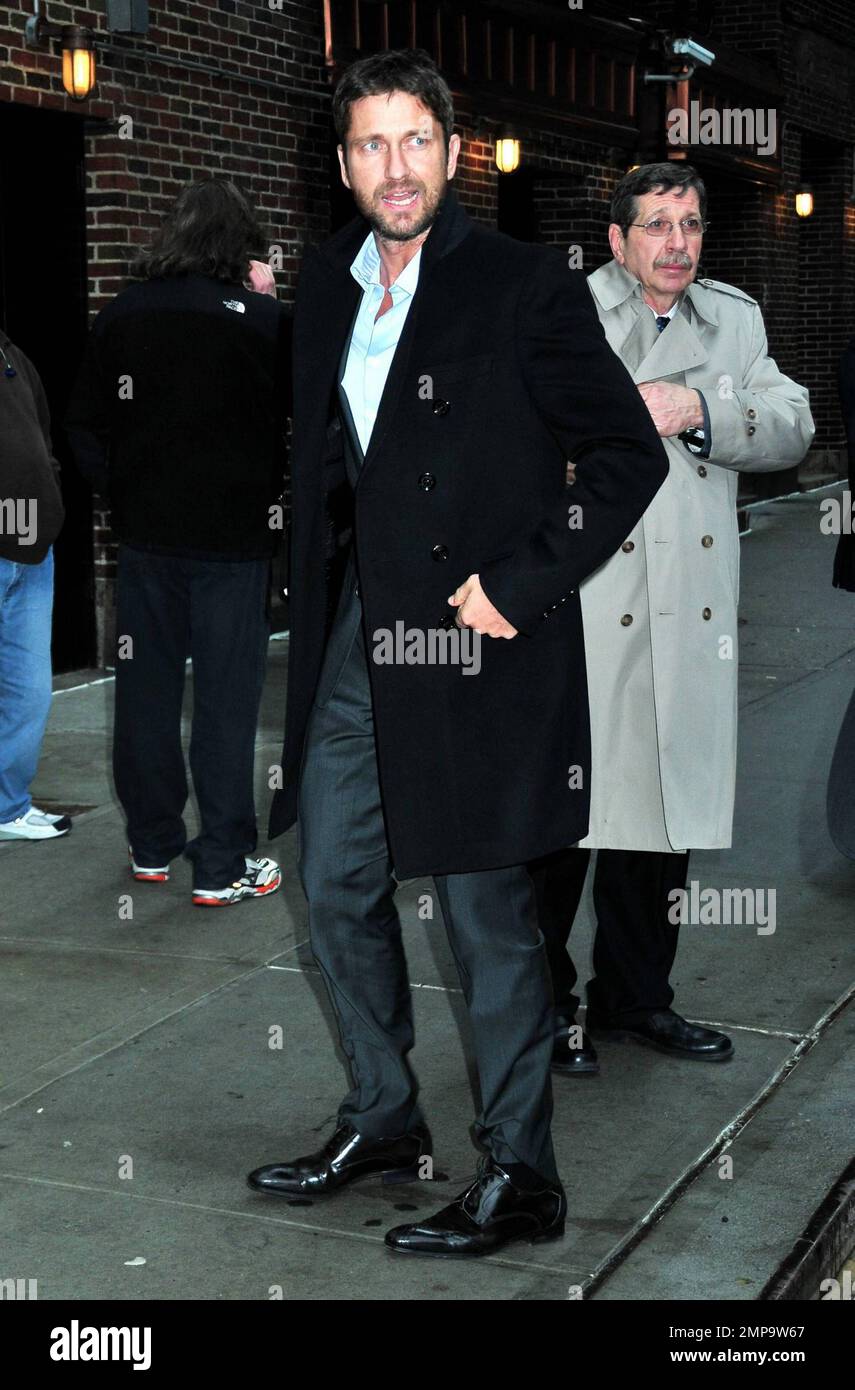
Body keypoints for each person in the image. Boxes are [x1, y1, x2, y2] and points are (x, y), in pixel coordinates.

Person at [246, 49, 668, 1259]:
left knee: (488, 922)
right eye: (371, 145)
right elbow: (329, 464)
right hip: (357, 644)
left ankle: (521, 1173)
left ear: (452, 151)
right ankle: (382, 1117)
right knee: (331, 881)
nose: (395, 167)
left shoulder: (524, 284)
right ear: (344, 164)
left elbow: (626, 455)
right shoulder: (325, 285)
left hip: (480, 647)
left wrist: (525, 583)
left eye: (415, 142)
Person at [531, 163, 815, 1076]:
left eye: (689, 224)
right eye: (656, 225)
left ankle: (637, 999)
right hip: (584, 602)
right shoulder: (563, 310)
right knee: (564, 825)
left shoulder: (732, 319)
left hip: (688, 615)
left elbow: (791, 422)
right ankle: (542, 1009)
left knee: (662, 820)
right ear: (617, 239)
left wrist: (702, 407)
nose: (676, 243)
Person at [65, 179, 290, 906]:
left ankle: (152, 844)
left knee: (146, 696)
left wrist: (122, 490)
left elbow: (83, 426)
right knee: (226, 704)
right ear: (242, 245)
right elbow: (305, 427)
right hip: (234, 543)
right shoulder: (262, 323)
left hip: (147, 541)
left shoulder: (121, 316)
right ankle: (223, 863)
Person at [0, 334, 70, 842]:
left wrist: (49, 487)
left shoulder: (11, 353)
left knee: (30, 691)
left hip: (31, 541)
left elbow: (43, 435)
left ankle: (7, 807)